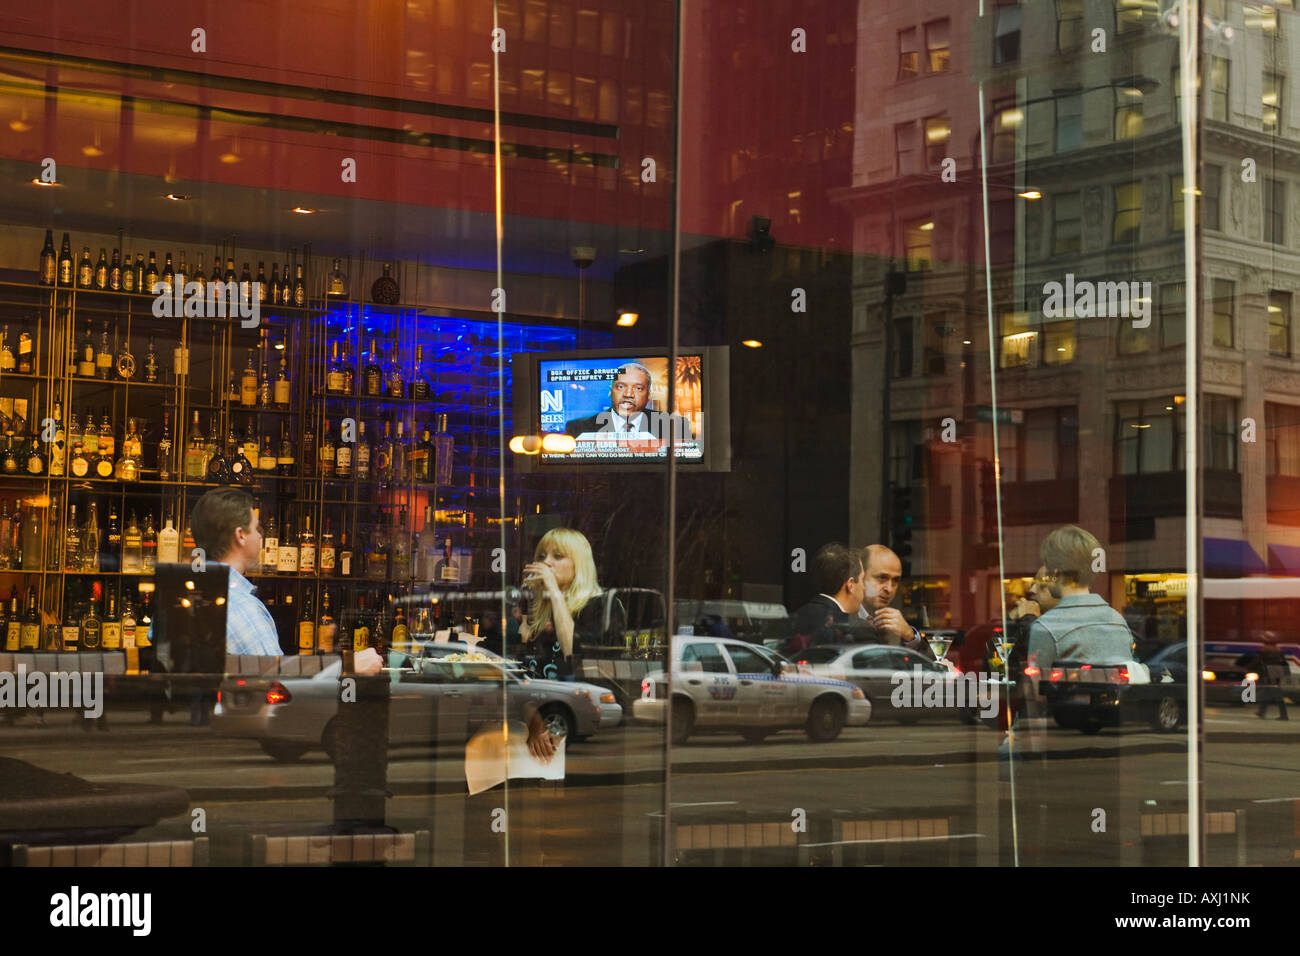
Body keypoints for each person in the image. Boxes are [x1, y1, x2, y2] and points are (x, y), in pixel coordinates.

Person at [519, 527, 624, 760]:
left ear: (579, 564)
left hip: (580, 724)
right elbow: (522, 676)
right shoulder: (539, 612)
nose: (547, 563)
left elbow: (574, 655)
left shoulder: (601, 605)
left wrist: (555, 594)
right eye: (541, 556)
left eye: (557, 556)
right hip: (539, 723)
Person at [1025, 525, 1135, 680]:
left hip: (1065, 704)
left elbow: (1037, 693)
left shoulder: (1046, 627)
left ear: (1056, 574)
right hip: (1113, 703)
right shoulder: (1118, 621)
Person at [188, 487, 281, 656]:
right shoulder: (243, 609)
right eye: (256, 528)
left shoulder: (176, 599)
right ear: (241, 535)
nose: (260, 536)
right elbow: (274, 678)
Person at [563, 362, 693, 441]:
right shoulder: (578, 428)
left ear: (648, 395)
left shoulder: (675, 427)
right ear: (610, 391)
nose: (628, 394)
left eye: (638, 388)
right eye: (621, 386)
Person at [783, 543, 866, 654]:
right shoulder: (852, 628)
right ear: (850, 584)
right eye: (862, 580)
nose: (864, 587)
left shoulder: (794, 616)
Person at [856, 544, 936, 659]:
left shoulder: (902, 619)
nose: (889, 588)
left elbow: (932, 665)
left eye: (895, 580)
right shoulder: (841, 615)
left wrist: (909, 635)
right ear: (860, 576)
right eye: (882, 578)